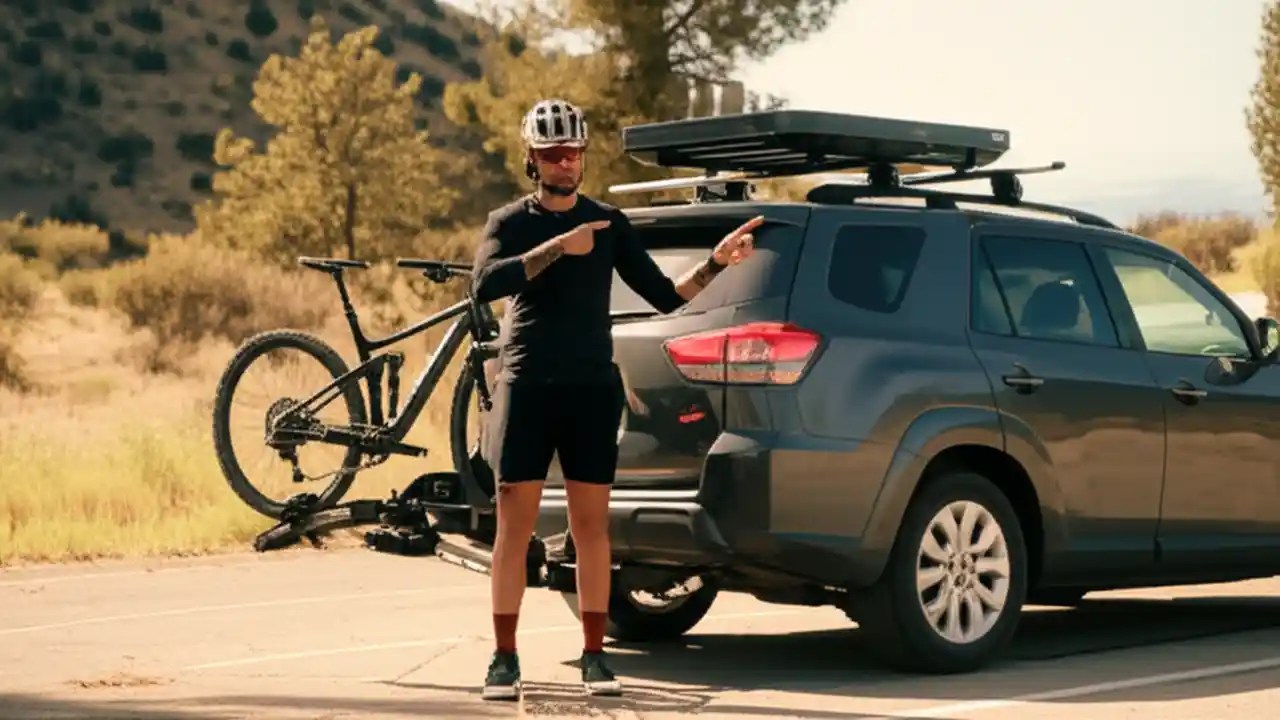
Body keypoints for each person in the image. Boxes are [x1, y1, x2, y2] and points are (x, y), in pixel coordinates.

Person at [470, 98, 761, 701]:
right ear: (532, 158)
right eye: (552, 153)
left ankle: (595, 657)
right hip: (525, 386)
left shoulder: (608, 223)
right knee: (514, 528)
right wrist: (555, 250)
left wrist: (717, 262)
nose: (564, 162)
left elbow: (665, 296)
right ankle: (504, 659)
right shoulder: (510, 221)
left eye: (573, 152)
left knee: (591, 527)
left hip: (589, 390)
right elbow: (486, 286)